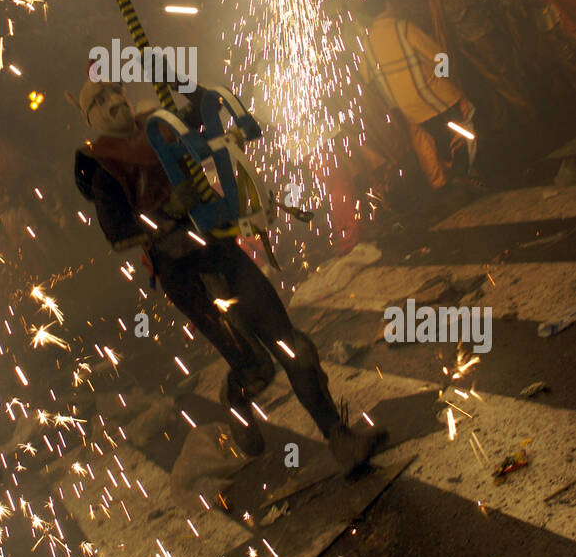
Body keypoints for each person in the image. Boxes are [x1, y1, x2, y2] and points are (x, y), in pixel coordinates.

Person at [71, 75, 387, 472]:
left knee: (293, 346)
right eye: (99, 100)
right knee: (255, 366)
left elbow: (207, 111)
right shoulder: (102, 166)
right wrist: (165, 214)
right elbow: (118, 235)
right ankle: (237, 402)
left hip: (219, 248)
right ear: (91, 116)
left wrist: (175, 77)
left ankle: (340, 439)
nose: (112, 101)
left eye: (113, 91)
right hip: (183, 273)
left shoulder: (160, 124)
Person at [359, 0, 478, 196]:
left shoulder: (368, 45)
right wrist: (447, 81)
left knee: (444, 137)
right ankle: (464, 176)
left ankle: (459, 176)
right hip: (437, 98)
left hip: (411, 109)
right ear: (387, 3)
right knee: (465, 130)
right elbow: (439, 56)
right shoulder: (403, 28)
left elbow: (368, 79)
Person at [420, 0, 532, 128]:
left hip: (485, 26)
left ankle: (511, 111)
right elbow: (453, 11)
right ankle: (523, 107)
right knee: (499, 72)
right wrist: (473, 2)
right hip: (473, 35)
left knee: (505, 67)